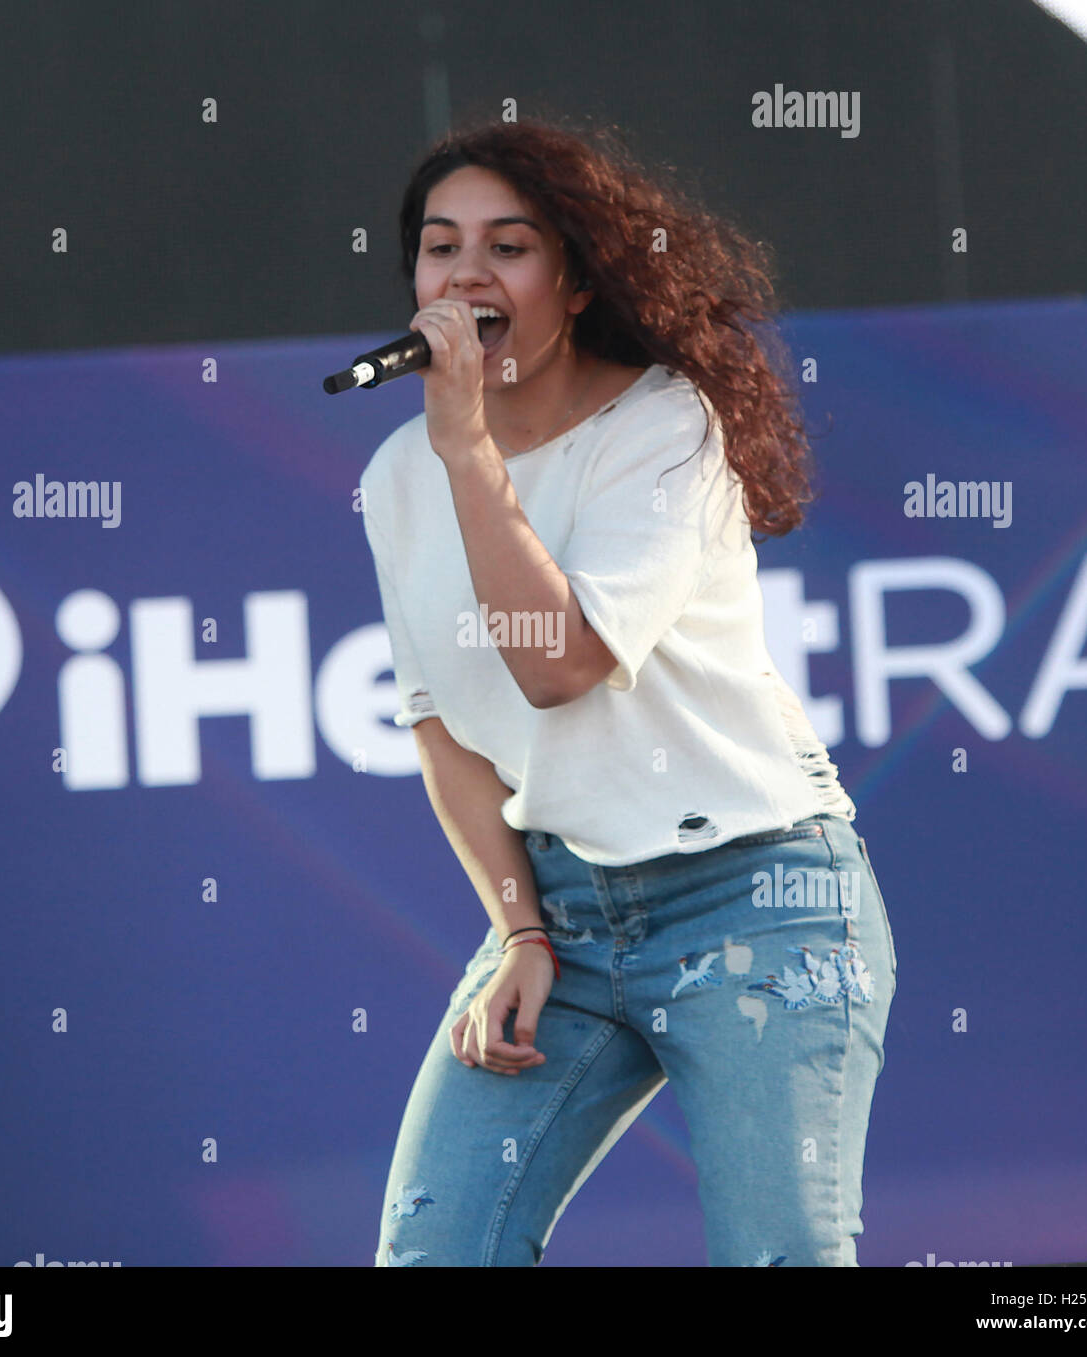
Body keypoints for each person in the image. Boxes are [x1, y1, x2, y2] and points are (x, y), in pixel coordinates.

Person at [359, 114, 897, 1267]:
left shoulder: (662, 424)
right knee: (436, 1250)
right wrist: (520, 930)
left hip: (754, 891)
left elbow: (555, 664)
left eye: (508, 246)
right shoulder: (397, 476)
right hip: (564, 912)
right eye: (440, 246)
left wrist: (468, 451)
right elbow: (441, 729)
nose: (465, 273)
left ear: (575, 278)